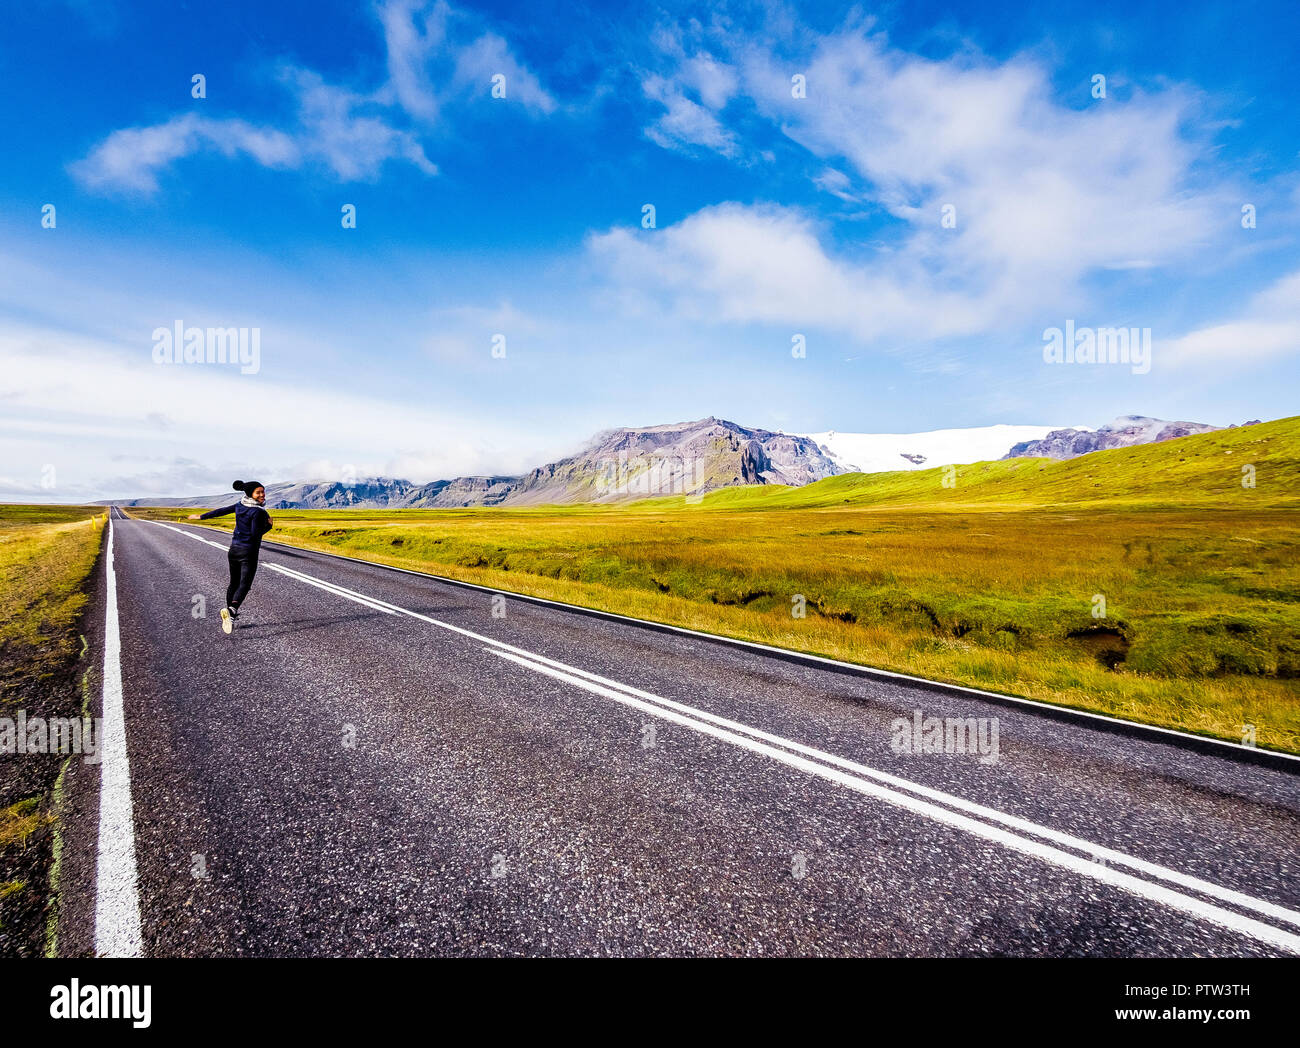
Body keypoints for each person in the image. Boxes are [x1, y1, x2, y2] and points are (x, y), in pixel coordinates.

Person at [188, 481, 274, 634]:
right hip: (249, 552)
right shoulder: (258, 512)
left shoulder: (240, 505)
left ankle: (229, 615)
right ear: (250, 494)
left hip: (234, 550)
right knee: (245, 584)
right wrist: (269, 525)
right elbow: (255, 535)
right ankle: (232, 611)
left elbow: (221, 511)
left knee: (233, 583)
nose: (262, 495)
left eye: (263, 491)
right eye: (258, 492)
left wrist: (201, 517)